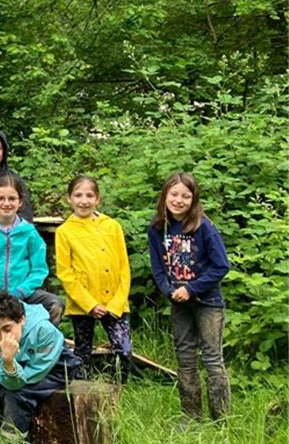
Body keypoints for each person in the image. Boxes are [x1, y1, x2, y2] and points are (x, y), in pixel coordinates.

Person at [147, 172, 231, 422]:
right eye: (174, 194)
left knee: (212, 359)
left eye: (185, 196)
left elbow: (221, 266)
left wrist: (191, 288)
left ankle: (221, 419)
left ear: (194, 199)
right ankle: (191, 416)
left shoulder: (204, 227)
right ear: (165, 196)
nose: (179, 200)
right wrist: (168, 290)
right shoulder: (157, 229)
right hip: (178, 303)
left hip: (208, 303)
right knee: (184, 358)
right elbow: (158, 268)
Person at [56, 176, 132, 380]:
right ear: (69, 199)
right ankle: (84, 389)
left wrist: (117, 302)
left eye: (89, 195)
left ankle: (120, 387)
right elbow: (65, 273)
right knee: (82, 352)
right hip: (83, 304)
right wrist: (89, 304)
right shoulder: (64, 231)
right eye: (78, 195)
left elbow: (124, 266)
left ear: (97, 199)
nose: (84, 201)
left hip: (114, 302)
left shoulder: (112, 226)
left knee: (123, 350)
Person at [0, 291, 78, 440]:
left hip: (51, 368)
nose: (2, 338)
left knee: (16, 394)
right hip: (17, 366)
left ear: (21, 319)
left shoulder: (44, 331)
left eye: (7, 329)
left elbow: (19, 382)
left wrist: (8, 363)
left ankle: (12, 441)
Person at [0, 174, 63, 324]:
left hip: (24, 293)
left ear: (20, 202)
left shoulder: (30, 233)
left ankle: (40, 341)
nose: (6, 203)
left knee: (55, 304)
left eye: (12, 199)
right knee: (1, 320)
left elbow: (39, 269)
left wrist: (22, 290)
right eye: (1, 198)